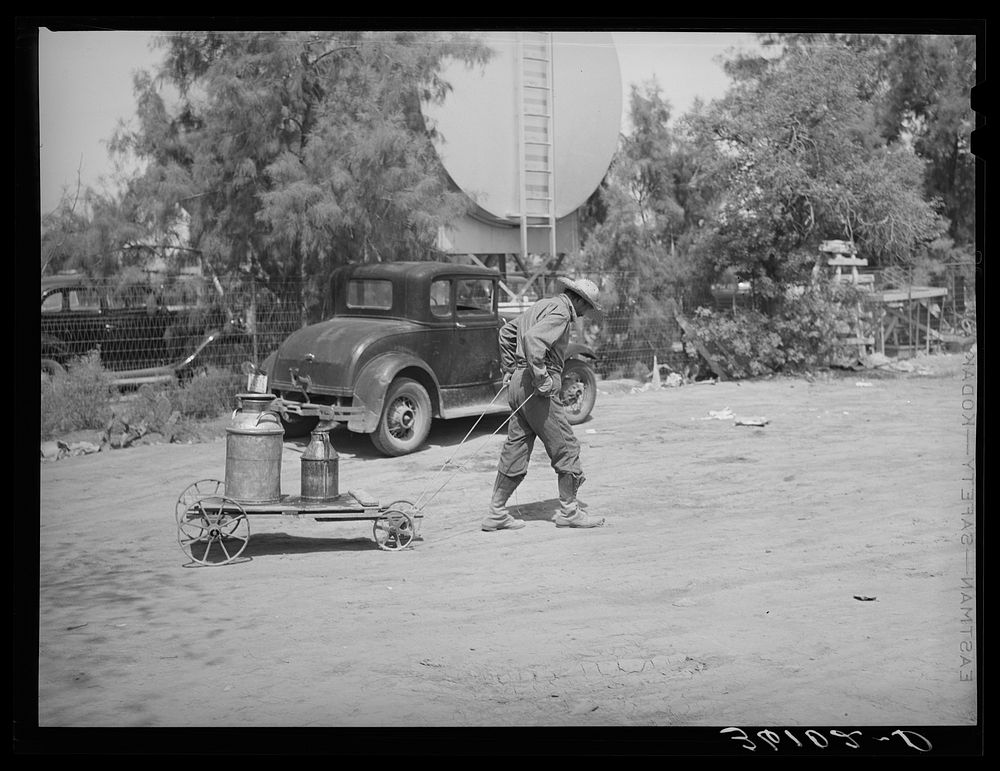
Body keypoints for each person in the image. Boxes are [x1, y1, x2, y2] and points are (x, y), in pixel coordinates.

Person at [482, 276, 606, 531]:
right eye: (588, 307)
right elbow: (534, 341)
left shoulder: (542, 305)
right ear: (579, 301)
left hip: (518, 384)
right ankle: (570, 511)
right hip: (535, 390)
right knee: (567, 446)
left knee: (516, 448)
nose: (586, 313)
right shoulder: (561, 312)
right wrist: (541, 378)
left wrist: (510, 368)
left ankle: (496, 512)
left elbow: (507, 333)